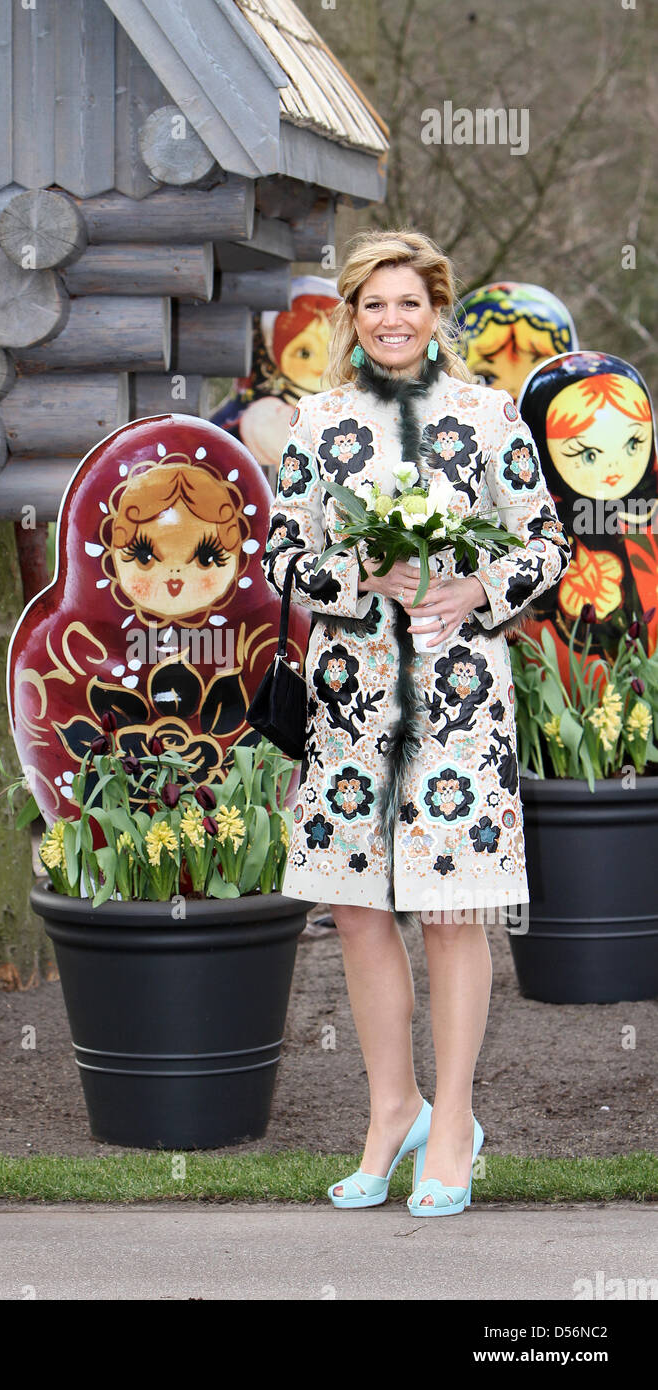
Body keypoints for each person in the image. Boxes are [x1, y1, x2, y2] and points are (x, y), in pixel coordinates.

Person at [261, 230, 571, 1215]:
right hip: (349, 702)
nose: (390, 320)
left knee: (451, 908)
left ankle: (454, 1123)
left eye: (407, 303)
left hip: (459, 701)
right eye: (371, 305)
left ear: (435, 310)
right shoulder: (318, 421)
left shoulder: (485, 416)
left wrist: (477, 584)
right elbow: (276, 551)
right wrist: (357, 576)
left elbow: (544, 542)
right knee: (355, 908)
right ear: (349, 318)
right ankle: (390, 1106)